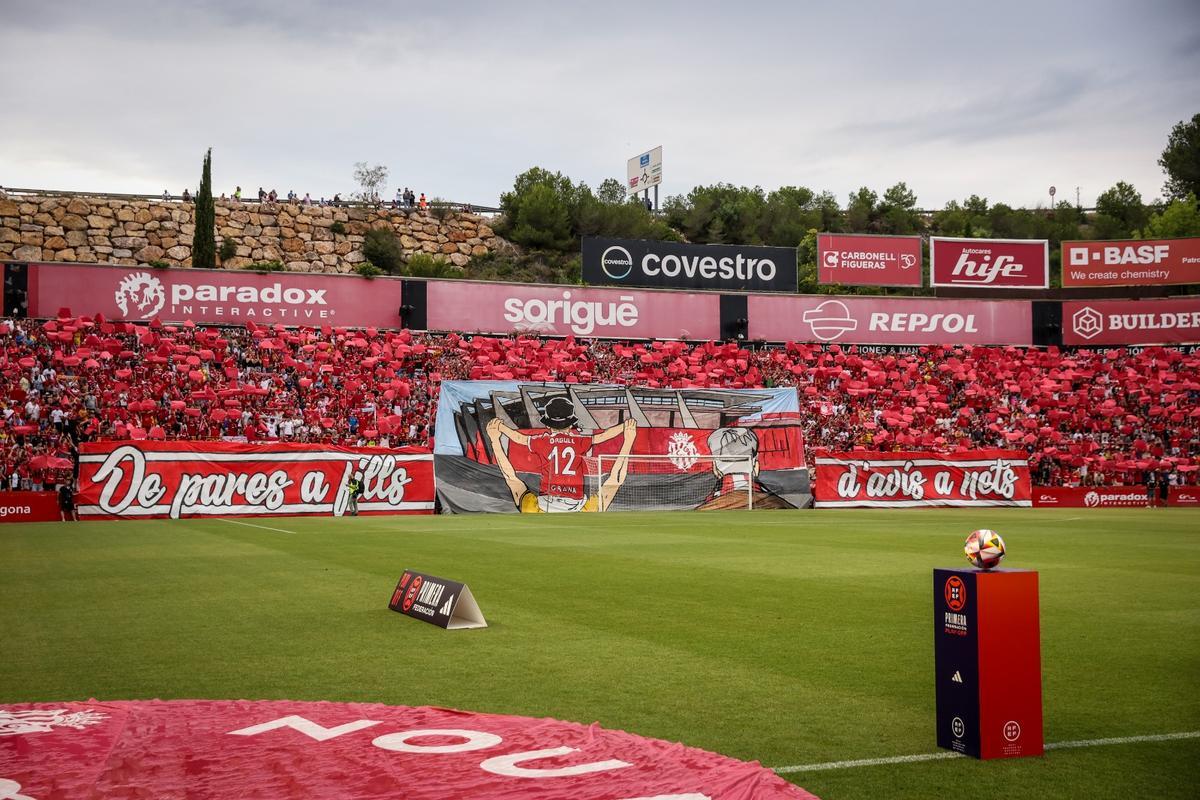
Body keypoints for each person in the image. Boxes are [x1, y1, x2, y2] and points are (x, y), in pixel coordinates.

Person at [486, 397, 636, 513]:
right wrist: (626, 431)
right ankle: (628, 442)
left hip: (545, 503)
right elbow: (603, 436)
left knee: (512, 480)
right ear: (571, 424)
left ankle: (494, 441)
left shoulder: (543, 441)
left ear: (547, 424)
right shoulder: (579, 441)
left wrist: (499, 431)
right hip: (578, 506)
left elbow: (518, 438)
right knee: (613, 482)